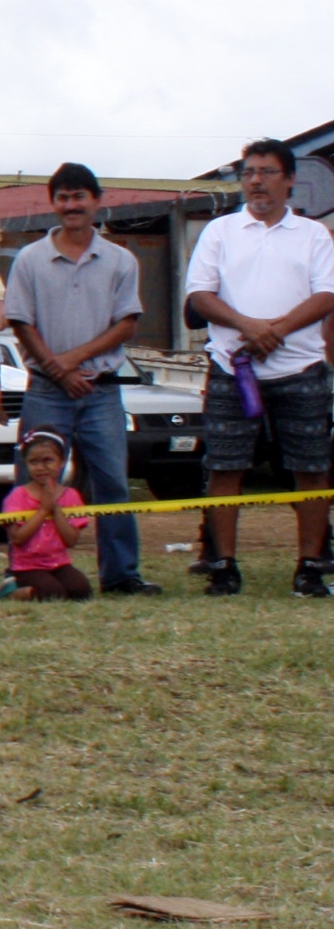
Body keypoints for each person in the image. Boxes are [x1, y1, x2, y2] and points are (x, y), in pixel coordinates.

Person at [0, 163, 155, 599]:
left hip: (101, 389)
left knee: (113, 485)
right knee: (28, 483)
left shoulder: (121, 259)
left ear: (96, 200)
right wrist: (57, 369)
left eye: (79, 197)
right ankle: (21, 573)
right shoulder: (30, 259)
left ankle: (122, 575)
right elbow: (20, 323)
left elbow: (127, 324)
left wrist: (73, 362)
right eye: (63, 198)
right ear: (53, 203)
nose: (72, 206)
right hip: (47, 390)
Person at [185, 137, 334, 596]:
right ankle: (223, 566)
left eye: (267, 172)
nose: (256, 181)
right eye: (248, 173)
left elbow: (326, 295)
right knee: (226, 468)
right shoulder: (220, 231)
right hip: (234, 368)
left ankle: (310, 565)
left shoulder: (313, 235)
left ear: (290, 180)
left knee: (310, 468)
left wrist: (278, 330)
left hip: (301, 368)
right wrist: (248, 326)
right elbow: (199, 295)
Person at [0, 427, 94, 600]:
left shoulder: (71, 495)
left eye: (48, 460)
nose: (41, 467)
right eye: (34, 462)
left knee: (81, 591)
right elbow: (17, 538)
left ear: (61, 462)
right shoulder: (18, 496)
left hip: (59, 563)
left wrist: (55, 509)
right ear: (26, 464)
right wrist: (43, 511)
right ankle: (10, 592)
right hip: (27, 566)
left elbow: (71, 540)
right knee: (52, 594)